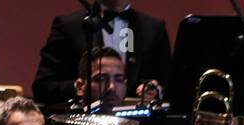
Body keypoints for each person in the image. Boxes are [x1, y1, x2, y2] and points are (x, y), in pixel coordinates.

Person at [33, 3, 170, 109]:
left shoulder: (153, 28)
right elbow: (43, 87)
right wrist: (82, 88)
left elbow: (168, 84)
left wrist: (155, 90)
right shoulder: (68, 26)